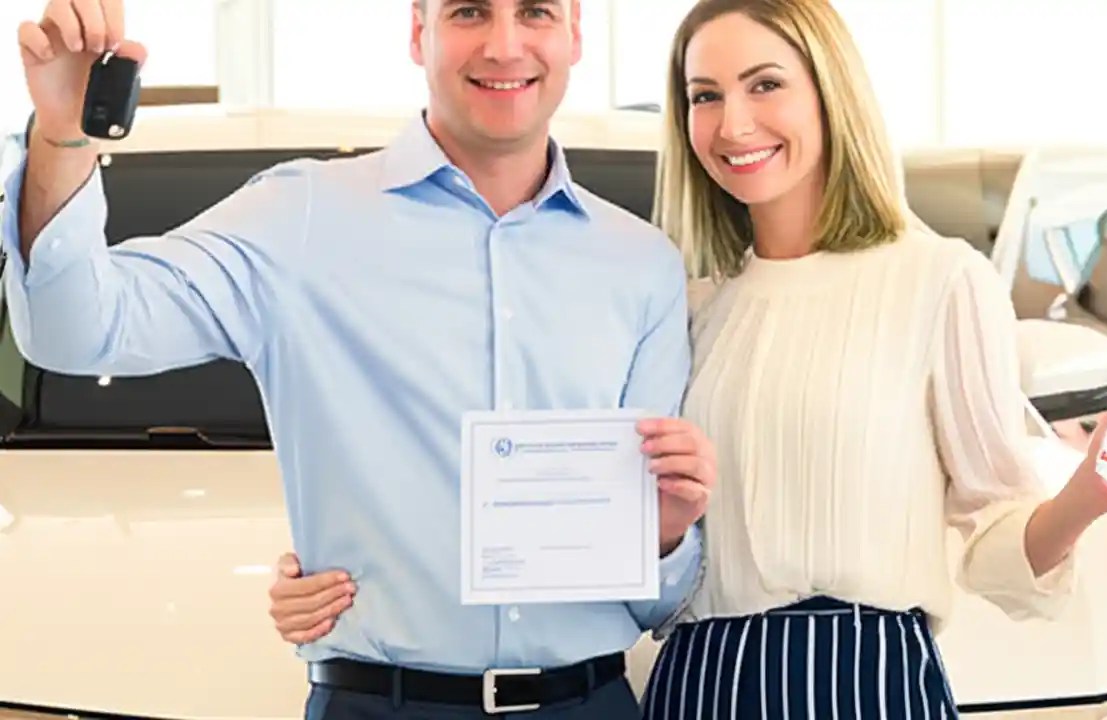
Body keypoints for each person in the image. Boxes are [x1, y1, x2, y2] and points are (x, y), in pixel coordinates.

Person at [266, 0, 1107, 717]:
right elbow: (564, 515)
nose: (731, 123)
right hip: (687, 683)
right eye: (704, 95)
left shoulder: (933, 278)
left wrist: (1093, 491)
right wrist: (346, 572)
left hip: (856, 681)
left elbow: (990, 540)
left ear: (828, 92)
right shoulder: (684, 299)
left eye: (763, 85)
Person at [6, 1, 720, 718]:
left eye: (534, 12)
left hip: (590, 702)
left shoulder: (641, 266)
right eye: (470, 11)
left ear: (573, 36)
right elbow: (79, 330)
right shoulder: (301, 217)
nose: (505, 46)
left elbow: (655, 603)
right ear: (419, 32)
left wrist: (659, 532)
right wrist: (64, 139)